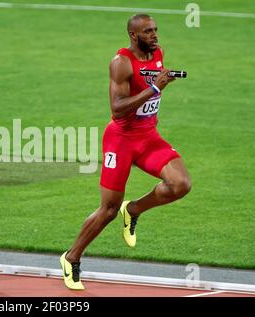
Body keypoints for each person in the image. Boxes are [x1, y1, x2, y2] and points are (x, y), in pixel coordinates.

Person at [60, 14, 191, 290]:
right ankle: (71, 257)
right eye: (148, 32)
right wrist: (156, 86)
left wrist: (157, 82)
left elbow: (149, 94)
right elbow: (117, 107)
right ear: (133, 36)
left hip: (148, 137)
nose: (155, 35)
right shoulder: (120, 63)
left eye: (156, 30)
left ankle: (132, 210)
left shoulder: (158, 54)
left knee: (180, 184)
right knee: (107, 210)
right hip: (120, 141)